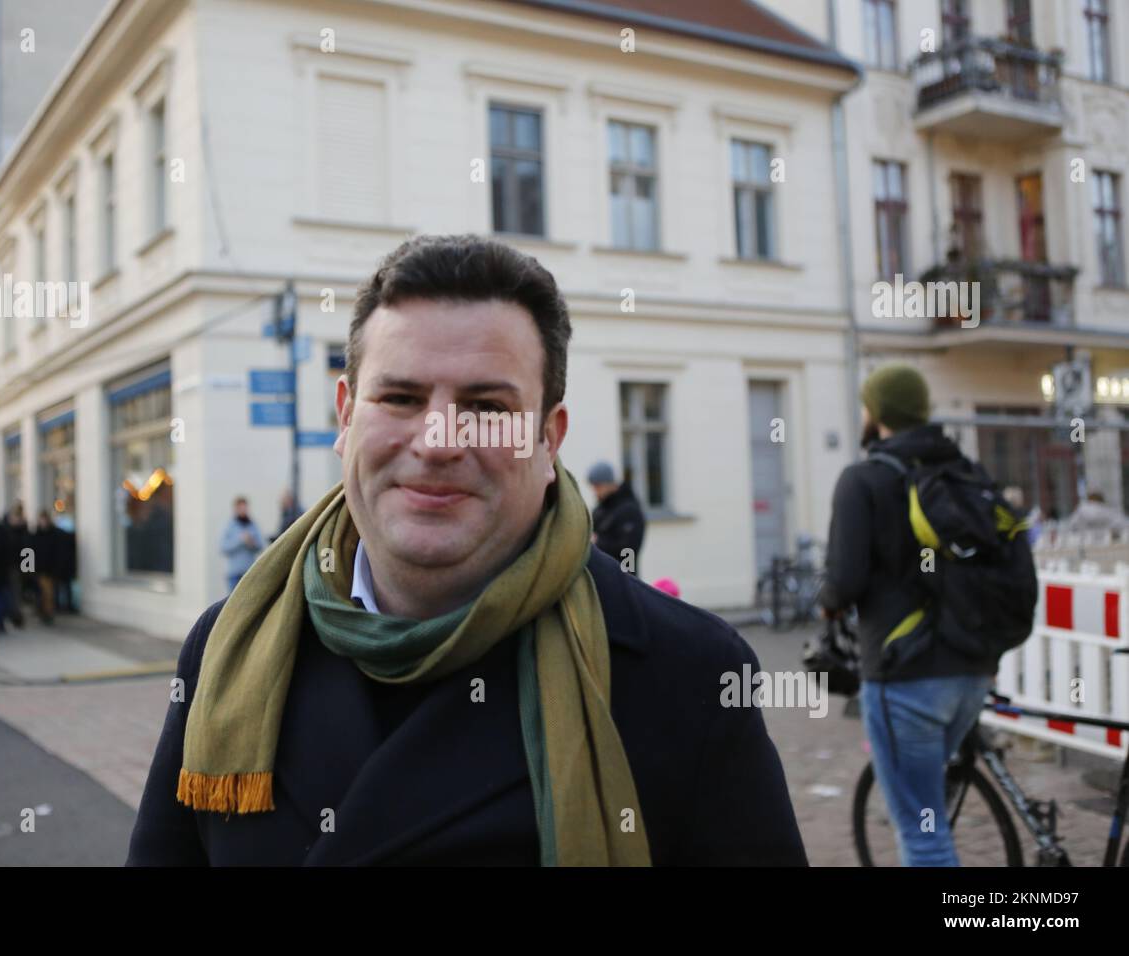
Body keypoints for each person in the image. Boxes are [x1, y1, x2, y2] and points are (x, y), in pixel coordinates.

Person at [128, 234, 803, 866]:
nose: (438, 441)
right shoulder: (230, 645)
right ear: (345, 416)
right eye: (399, 396)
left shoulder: (688, 674)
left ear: (548, 438)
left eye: (485, 405)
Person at [818, 364, 1009, 867]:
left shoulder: (863, 480)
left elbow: (845, 581)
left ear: (878, 413)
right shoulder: (963, 472)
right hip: (972, 672)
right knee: (925, 810)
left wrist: (826, 597)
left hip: (907, 678)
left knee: (924, 836)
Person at [587, 461, 646, 575]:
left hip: (623, 580)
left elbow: (628, 552)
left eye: (598, 486)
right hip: (601, 577)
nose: (595, 491)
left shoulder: (629, 510)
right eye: (593, 486)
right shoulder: (600, 510)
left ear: (610, 484)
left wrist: (597, 542)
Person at [220, 496, 264, 592]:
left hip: (249, 573)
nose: (243, 510)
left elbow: (261, 546)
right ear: (235, 509)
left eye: (245, 507)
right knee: (232, 604)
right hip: (234, 574)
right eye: (240, 508)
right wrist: (240, 540)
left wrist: (252, 542)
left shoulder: (253, 525)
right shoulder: (229, 526)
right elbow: (223, 547)